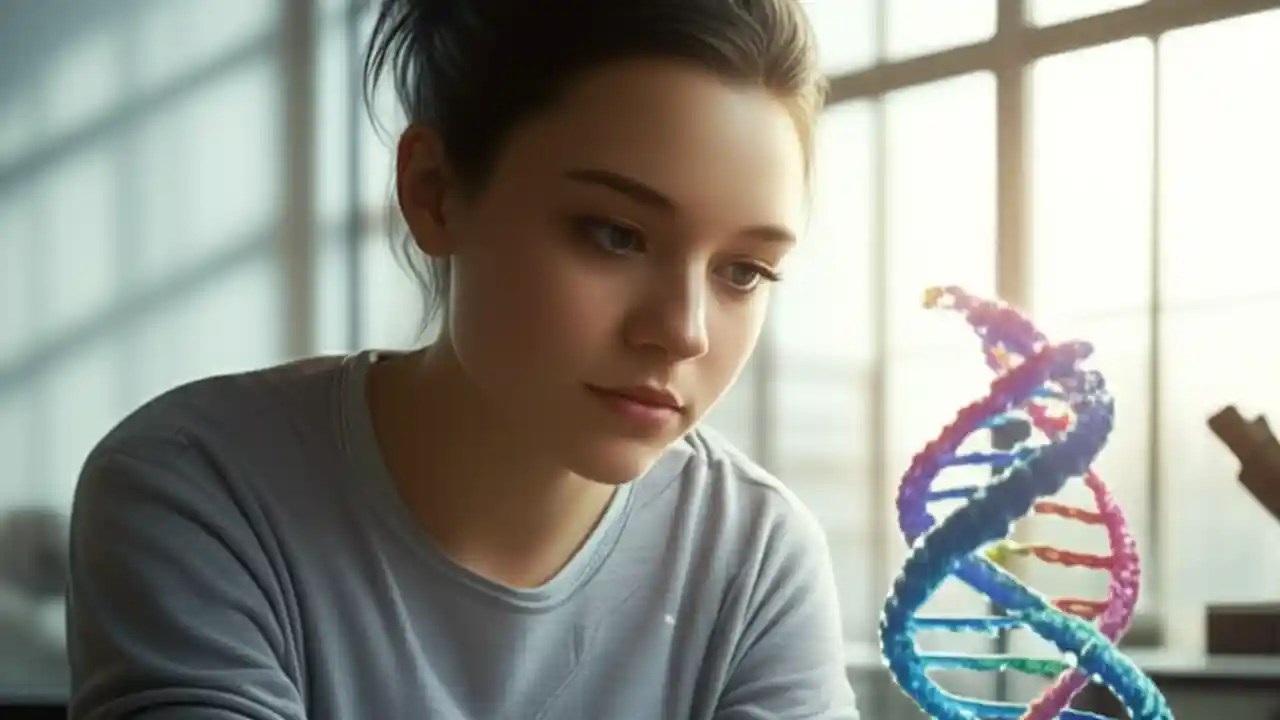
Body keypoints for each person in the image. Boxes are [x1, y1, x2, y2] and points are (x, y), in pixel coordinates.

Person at [66, 0, 859, 717]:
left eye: (743, 271)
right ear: (435, 191)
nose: (683, 331)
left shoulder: (755, 557)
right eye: (615, 234)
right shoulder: (200, 486)